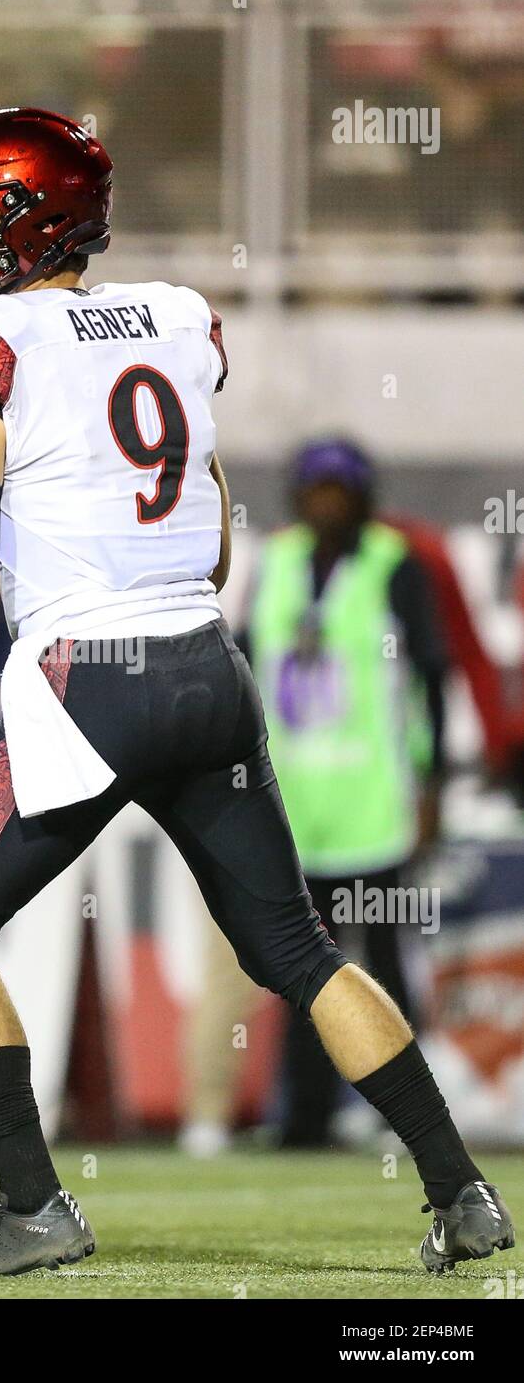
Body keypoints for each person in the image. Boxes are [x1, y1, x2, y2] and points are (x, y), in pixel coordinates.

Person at [0, 107, 509, 1277]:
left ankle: (31, 1207)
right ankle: (459, 1191)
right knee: (297, 948)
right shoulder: (172, 318)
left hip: (88, 682)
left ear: (32, 217)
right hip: (206, 666)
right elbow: (212, 548)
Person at [242, 439, 446, 1146]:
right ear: (299, 496)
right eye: (316, 488)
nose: (328, 501)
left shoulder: (394, 564)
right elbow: (245, 666)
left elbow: (432, 674)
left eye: (342, 489)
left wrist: (434, 783)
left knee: (385, 963)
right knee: (302, 970)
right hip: (295, 805)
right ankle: (305, 1117)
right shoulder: (275, 562)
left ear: (363, 497)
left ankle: (409, 1122)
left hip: (374, 801)